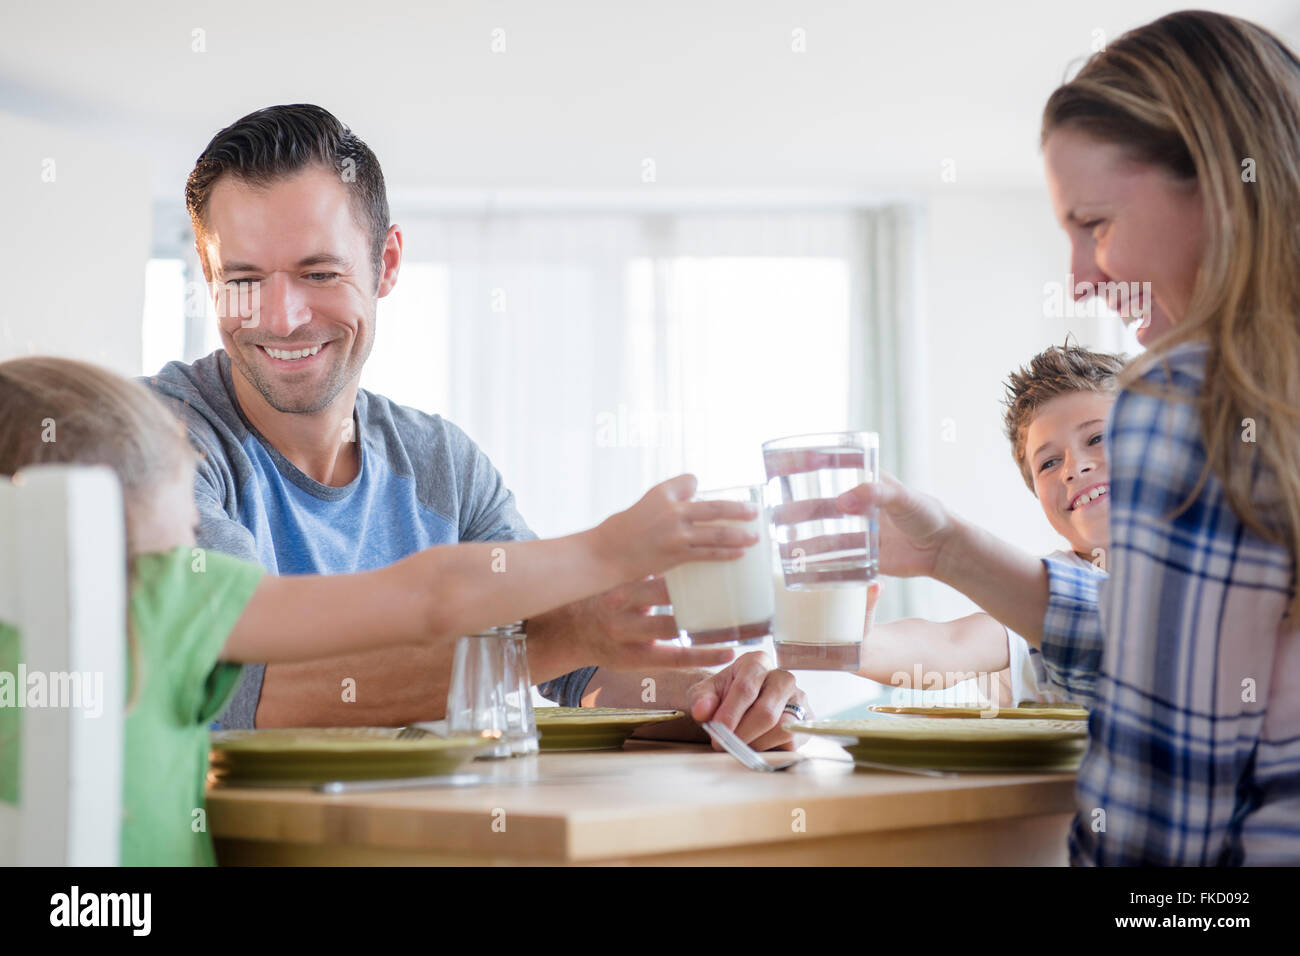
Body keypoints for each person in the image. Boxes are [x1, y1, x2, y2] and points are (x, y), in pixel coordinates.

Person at [147, 104, 809, 749]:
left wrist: (717, 698)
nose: (282, 317)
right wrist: (568, 634)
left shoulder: (442, 464)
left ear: (389, 262)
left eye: (319, 273)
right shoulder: (155, 444)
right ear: (207, 277)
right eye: (242, 279)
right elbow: (245, 691)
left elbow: (584, 671)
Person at [839, 11, 1300, 865]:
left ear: (1218, 186)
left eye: (1096, 223)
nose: (1081, 276)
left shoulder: (1183, 398)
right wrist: (940, 555)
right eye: (1047, 461)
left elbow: (1162, 832)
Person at [0, 356, 758, 864]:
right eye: (182, 481)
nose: (196, 514)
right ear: (123, 504)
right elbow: (431, 598)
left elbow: (580, 661)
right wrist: (607, 549)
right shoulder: (176, 595)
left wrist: (696, 695)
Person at [860, 344, 1121, 709]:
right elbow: (950, 644)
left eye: (1097, 438)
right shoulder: (1031, 589)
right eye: (1048, 463)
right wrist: (854, 642)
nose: (1073, 468)